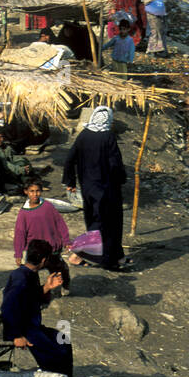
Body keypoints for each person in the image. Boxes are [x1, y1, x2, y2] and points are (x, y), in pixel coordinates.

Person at [63, 106, 128, 272]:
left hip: (88, 187)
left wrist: (70, 181)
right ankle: (79, 254)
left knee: (95, 220)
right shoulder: (108, 136)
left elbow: (70, 159)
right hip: (106, 189)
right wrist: (121, 179)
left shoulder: (84, 135)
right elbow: (115, 163)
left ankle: (115, 256)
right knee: (106, 223)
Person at [0, 239, 73, 377]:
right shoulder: (20, 278)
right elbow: (7, 307)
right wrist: (16, 336)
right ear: (44, 260)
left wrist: (47, 287)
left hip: (33, 326)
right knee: (57, 356)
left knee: (63, 340)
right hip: (23, 329)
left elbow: (29, 298)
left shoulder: (30, 274)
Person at [14, 177, 74, 289]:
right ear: (26, 192)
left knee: (60, 270)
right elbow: (20, 234)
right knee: (32, 275)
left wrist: (66, 240)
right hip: (35, 251)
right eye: (32, 191)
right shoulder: (23, 213)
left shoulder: (48, 206)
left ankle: (65, 287)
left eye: (37, 191)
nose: (35, 194)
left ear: (41, 191)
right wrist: (18, 253)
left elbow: (60, 223)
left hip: (52, 247)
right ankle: (38, 294)